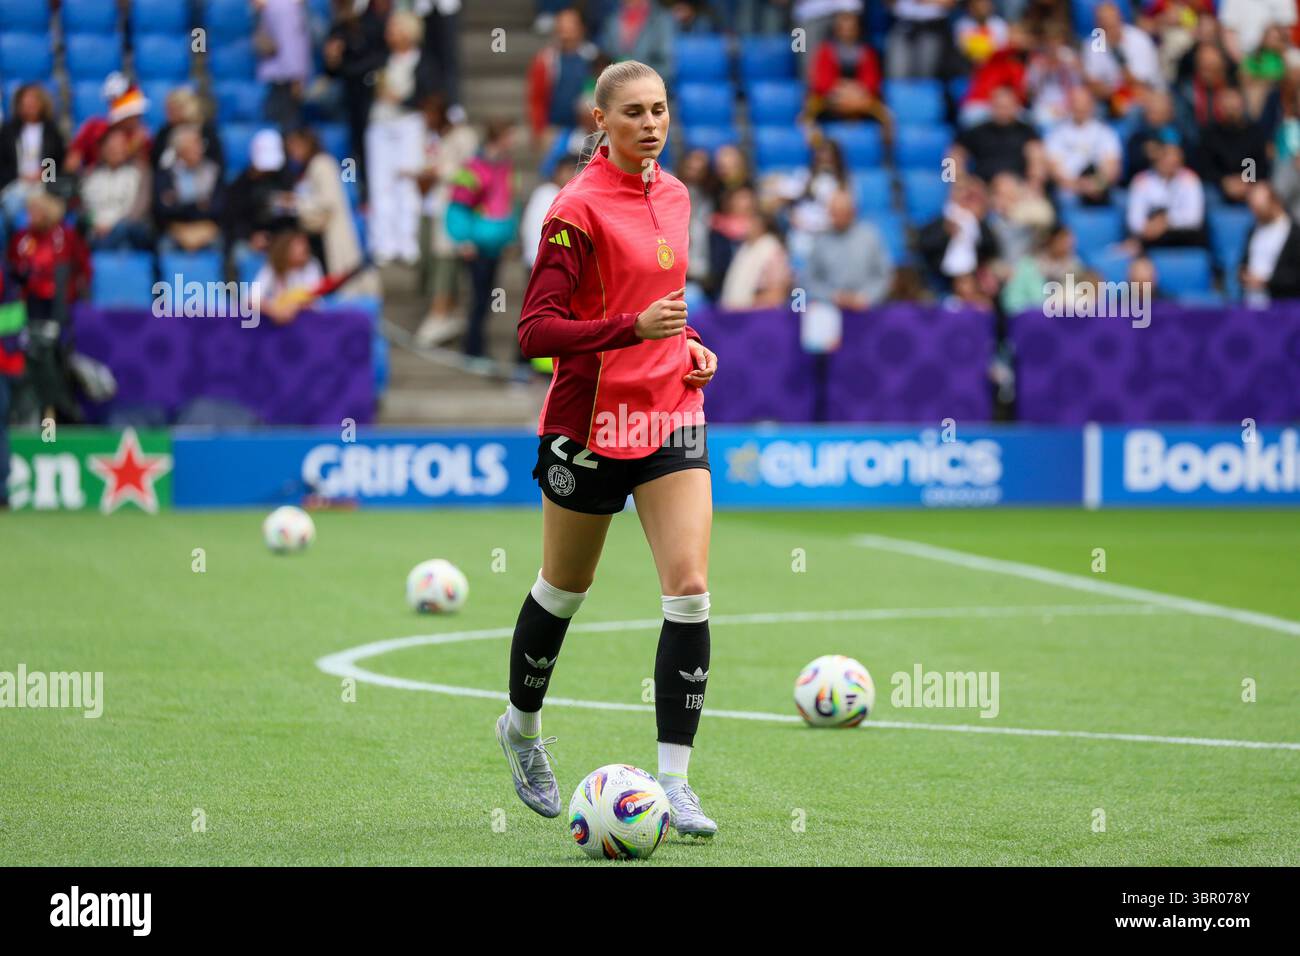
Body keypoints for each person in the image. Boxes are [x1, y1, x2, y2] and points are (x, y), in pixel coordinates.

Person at [499, 59, 720, 840]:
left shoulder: (679, 195)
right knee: (564, 588)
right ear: (602, 122)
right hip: (589, 425)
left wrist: (690, 344)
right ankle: (521, 731)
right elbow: (534, 332)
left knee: (688, 587)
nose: (651, 123)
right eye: (633, 112)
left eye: (660, 108)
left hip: (668, 415)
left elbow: (663, 309)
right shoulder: (574, 210)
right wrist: (632, 332)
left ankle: (676, 781)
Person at [446, 118, 520, 366]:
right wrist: (463, 239)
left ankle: (476, 346)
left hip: (495, 246)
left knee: (487, 298)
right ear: (498, 137)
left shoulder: (505, 167)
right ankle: (472, 349)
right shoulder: (472, 168)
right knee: (478, 298)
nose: (513, 141)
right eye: (509, 135)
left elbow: (509, 204)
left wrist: (509, 237)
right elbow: (458, 206)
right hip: (475, 246)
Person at [365, 10, 428, 265]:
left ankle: (407, 242)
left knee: (407, 181)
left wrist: (401, 100)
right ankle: (384, 244)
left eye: (395, 28)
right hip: (381, 124)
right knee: (381, 184)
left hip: (409, 124)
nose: (390, 34)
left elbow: (428, 93)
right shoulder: (381, 59)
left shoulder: (423, 61)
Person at [804, 188, 893, 309]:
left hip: (867, 310)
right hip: (830, 310)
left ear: (853, 211)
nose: (838, 217)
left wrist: (866, 297)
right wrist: (831, 296)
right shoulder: (821, 240)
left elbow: (884, 275)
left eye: (843, 212)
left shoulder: (870, 236)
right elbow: (809, 280)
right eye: (834, 213)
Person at [0, 85, 65, 226]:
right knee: (11, 208)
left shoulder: (51, 131)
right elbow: (3, 163)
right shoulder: (8, 131)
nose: (30, 106)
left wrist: (43, 174)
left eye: (33, 102)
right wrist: (20, 176)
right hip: (16, 184)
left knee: (49, 210)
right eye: (25, 103)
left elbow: (57, 159)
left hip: (43, 184)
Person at [155, 124, 225, 253]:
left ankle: (210, 274)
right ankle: (178, 275)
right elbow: (164, 210)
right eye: (194, 144)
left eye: (200, 144)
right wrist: (199, 204)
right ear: (181, 150)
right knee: (166, 247)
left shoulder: (213, 171)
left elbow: (217, 207)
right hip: (176, 230)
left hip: (206, 229)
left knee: (218, 245)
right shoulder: (166, 174)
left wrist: (179, 201)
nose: (200, 149)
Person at [81, 128, 153, 251]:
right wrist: (95, 223)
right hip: (97, 229)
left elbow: (140, 207)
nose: (115, 150)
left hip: (129, 228)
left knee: (125, 229)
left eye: (120, 145)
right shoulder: (90, 175)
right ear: (103, 150)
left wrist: (112, 226)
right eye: (111, 146)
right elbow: (84, 207)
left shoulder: (140, 171)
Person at [1126, 137, 1205, 249]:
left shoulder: (1190, 179)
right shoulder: (1141, 180)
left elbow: (1194, 218)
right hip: (1150, 236)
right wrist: (1150, 227)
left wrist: (1166, 222)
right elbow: (1134, 221)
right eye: (1166, 155)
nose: (1171, 160)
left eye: (1175, 156)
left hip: (1183, 236)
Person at [1240, 182, 1300, 302]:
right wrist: (1243, 274)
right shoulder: (1253, 230)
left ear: (1275, 202)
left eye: (1260, 209)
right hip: (1252, 301)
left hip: (1283, 305)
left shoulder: (1294, 234)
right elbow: (1244, 261)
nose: (1256, 214)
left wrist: (1267, 283)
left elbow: (1296, 274)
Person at [254, 229, 324, 324]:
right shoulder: (272, 268)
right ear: (284, 249)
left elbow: (313, 296)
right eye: (298, 245)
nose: (304, 248)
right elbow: (252, 298)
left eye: (304, 245)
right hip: (278, 322)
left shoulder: (311, 265)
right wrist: (274, 311)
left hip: (309, 320)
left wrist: (294, 307)